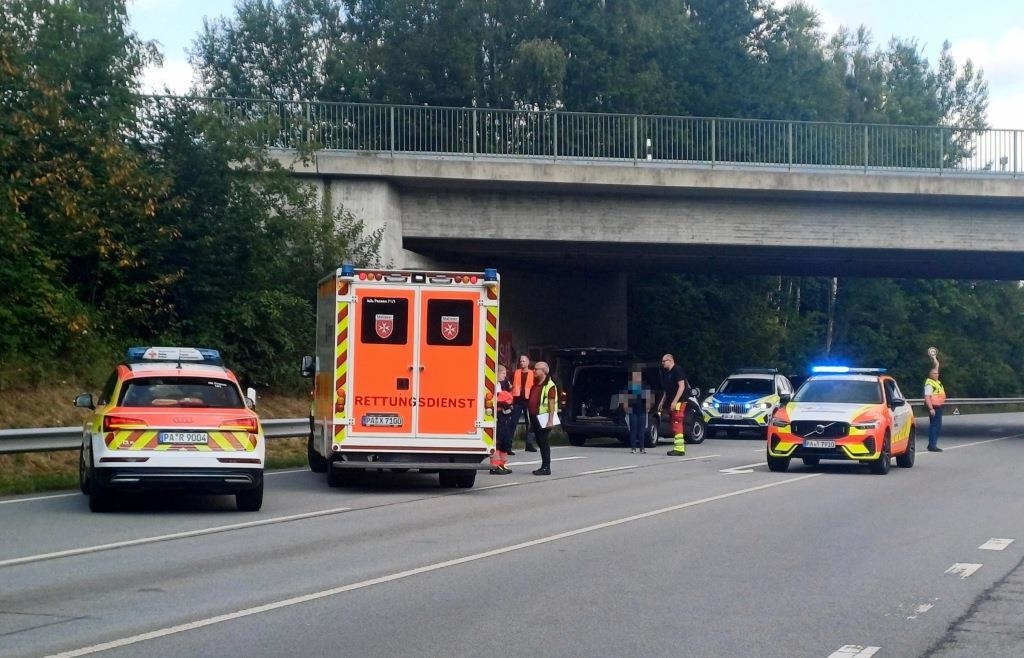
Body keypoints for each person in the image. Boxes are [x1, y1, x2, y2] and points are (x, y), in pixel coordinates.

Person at [528, 361, 559, 475]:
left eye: (537, 369)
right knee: (540, 442)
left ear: (544, 371)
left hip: (544, 418)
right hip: (535, 417)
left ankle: (546, 467)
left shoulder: (549, 385)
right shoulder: (536, 384)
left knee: (543, 442)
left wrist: (550, 420)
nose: (534, 371)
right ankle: (544, 466)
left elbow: (551, 403)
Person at [657, 354, 689, 456]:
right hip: (672, 402)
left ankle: (679, 449)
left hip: (679, 402)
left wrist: (675, 401)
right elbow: (667, 391)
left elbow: (682, 386)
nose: (662, 363)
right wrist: (662, 401)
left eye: (664, 361)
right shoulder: (667, 374)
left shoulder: (677, 370)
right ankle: (678, 448)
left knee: (677, 423)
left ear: (670, 360)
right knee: (674, 424)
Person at [617, 367, 654, 454]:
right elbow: (624, 397)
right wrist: (625, 406)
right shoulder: (628, 386)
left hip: (642, 410)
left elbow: (649, 398)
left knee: (642, 430)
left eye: (638, 375)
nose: (637, 377)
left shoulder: (645, 386)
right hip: (632, 410)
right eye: (635, 375)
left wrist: (648, 406)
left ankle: (642, 448)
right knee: (633, 429)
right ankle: (633, 448)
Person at [490, 365, 515, 474]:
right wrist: (503, 403)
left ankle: (502, 464)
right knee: (498, 441)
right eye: (503, 373)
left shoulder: (503, 384)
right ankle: (494, 466)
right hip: (497, 415)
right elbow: (493, 399)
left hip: (504, 415)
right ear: (497, 373)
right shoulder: (492, 384)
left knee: (505, 440)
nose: (505, 376)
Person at [509, 353, 536, 452]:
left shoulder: (533, 373)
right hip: (517, 401)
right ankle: (508, 446)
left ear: (528, 362)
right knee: (513, 423)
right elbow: (512, 386)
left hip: (528, 401)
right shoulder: (515, 373)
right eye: (520, 361)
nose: (522, 362)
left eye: (524, 361)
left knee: (530, 423)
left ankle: (529, 444)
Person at [924, 349, 946, 453]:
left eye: (937, 373)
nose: (937, 374)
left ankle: (932, 444)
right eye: (935, 373)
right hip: (934, 407)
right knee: (935, 427)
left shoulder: (936, 381)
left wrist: (933, 357)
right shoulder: (930, 384)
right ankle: (932, 445)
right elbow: (927, 397)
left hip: (939, 407)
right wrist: (931, 408)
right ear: (930, 375)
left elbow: (937, 364)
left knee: (937, 426)